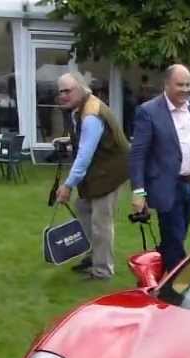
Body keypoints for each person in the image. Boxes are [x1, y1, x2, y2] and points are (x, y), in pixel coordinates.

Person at [53, 72, 131, 281]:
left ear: (81, 88)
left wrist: (68, 185)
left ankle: (103, 270)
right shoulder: (80, 109)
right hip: (99, 170)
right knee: (83, 208)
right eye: (61, 91)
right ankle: (92, 256)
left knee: (101, 221)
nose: (64, 95)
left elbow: (84, 157)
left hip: (111, 171)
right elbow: (84, 145)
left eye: (68, 90)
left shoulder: (91, 116)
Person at [129, 64, 190, 273]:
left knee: (175, 239)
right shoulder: (148, 111)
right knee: (175, 244)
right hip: (166, 187)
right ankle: (175, 288)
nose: (185, 89)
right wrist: (138, 191)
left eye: (188, 85)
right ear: (167, 84)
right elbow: (137, 155)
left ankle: (160, 277)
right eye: (180, 85)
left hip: (189, 185)